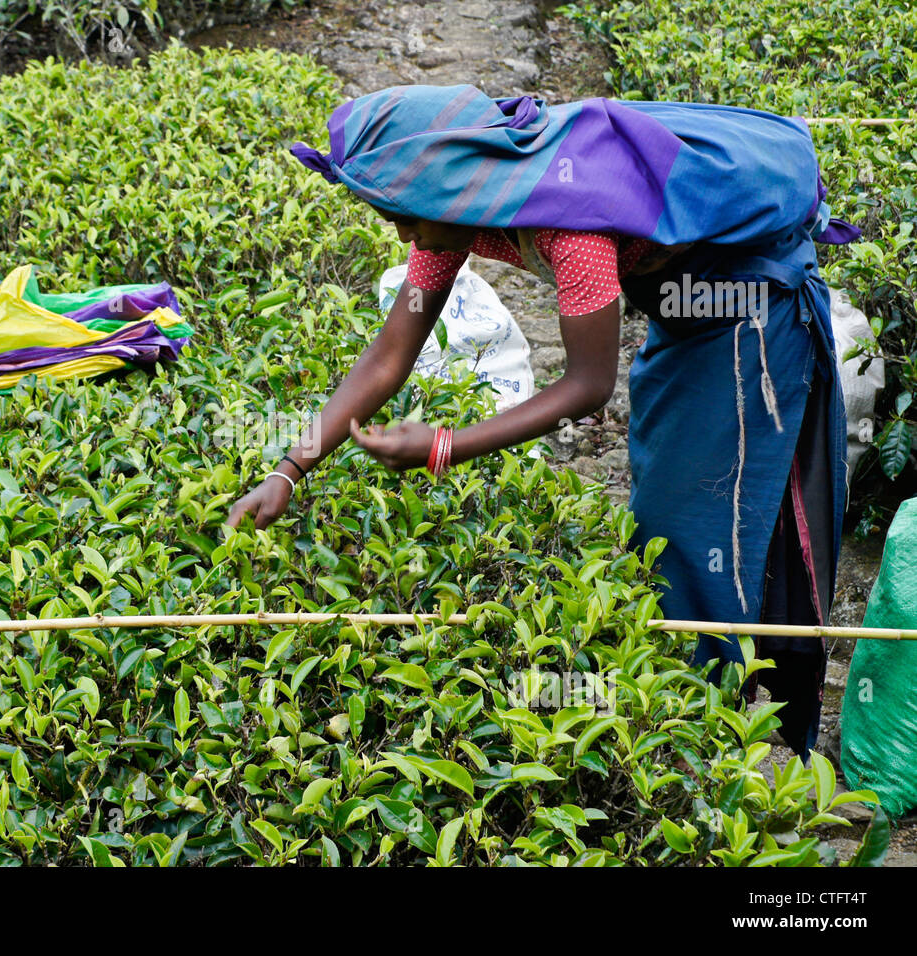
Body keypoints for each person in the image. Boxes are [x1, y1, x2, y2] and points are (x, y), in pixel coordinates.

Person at [226, 85, 859, 762]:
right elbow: (390, 355)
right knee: (662, 511)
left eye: (406, 221)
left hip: (746, 315)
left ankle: (706, 738)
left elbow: (589, 385)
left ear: (446, 188)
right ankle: (692, 707)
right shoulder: (452, 213)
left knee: (699, 521)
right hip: (683, 308)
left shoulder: (571, 226)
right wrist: (289, 469)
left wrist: (444, 446)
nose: (405, 238)